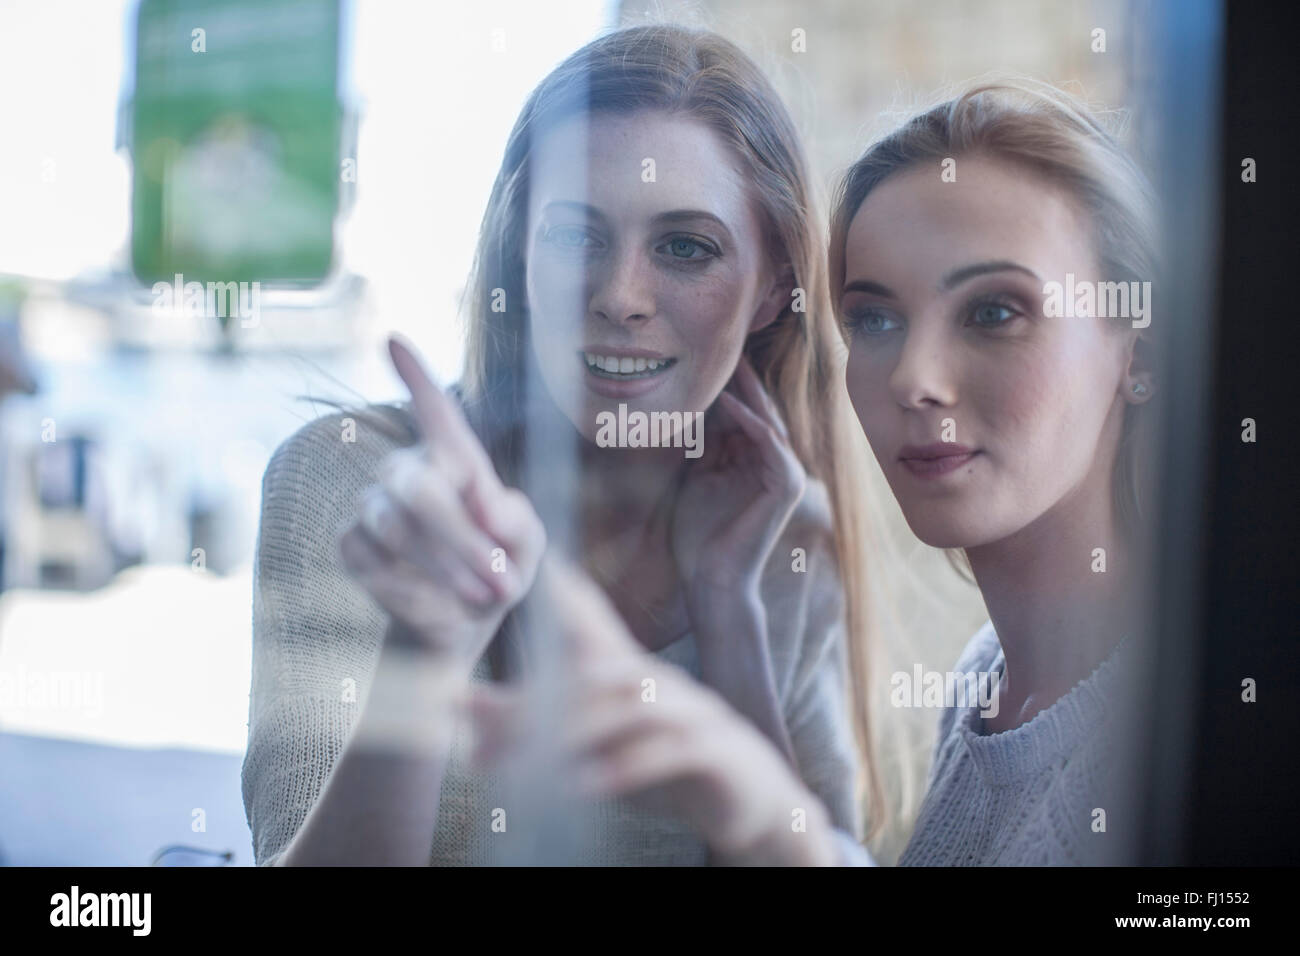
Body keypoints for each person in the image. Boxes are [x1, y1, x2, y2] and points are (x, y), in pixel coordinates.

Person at [241, 24, 879, 866]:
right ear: (519, 255)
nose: (619, 296)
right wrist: (427, 644)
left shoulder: (788, 538)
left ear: (772, 292)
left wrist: (730, 603)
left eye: (686, 248)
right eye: (575, 235)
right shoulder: (348, 479)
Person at [827, 80, 1157, 864]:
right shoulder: (986, 677)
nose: (914, 379)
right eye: (874, 319)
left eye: (993, 312)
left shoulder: (1180, 740)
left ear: (1139, 354)